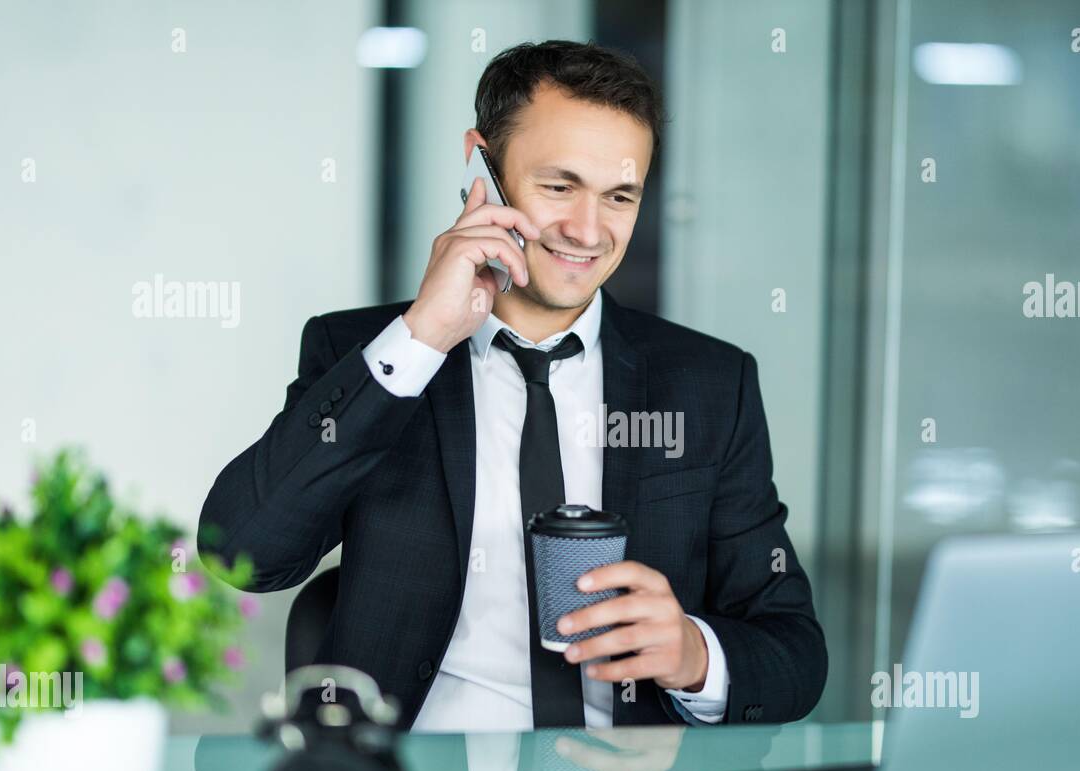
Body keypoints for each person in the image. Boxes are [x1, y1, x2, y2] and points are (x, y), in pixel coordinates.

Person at [198, 40, 826, 733]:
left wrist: (693, 655)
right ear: (481, 164)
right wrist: (422, 337)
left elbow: (793, 649)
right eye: (559, 186)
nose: (588, 231)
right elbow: (243, 553)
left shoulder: (709, 383)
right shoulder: (365, 353)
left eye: (619, 196)